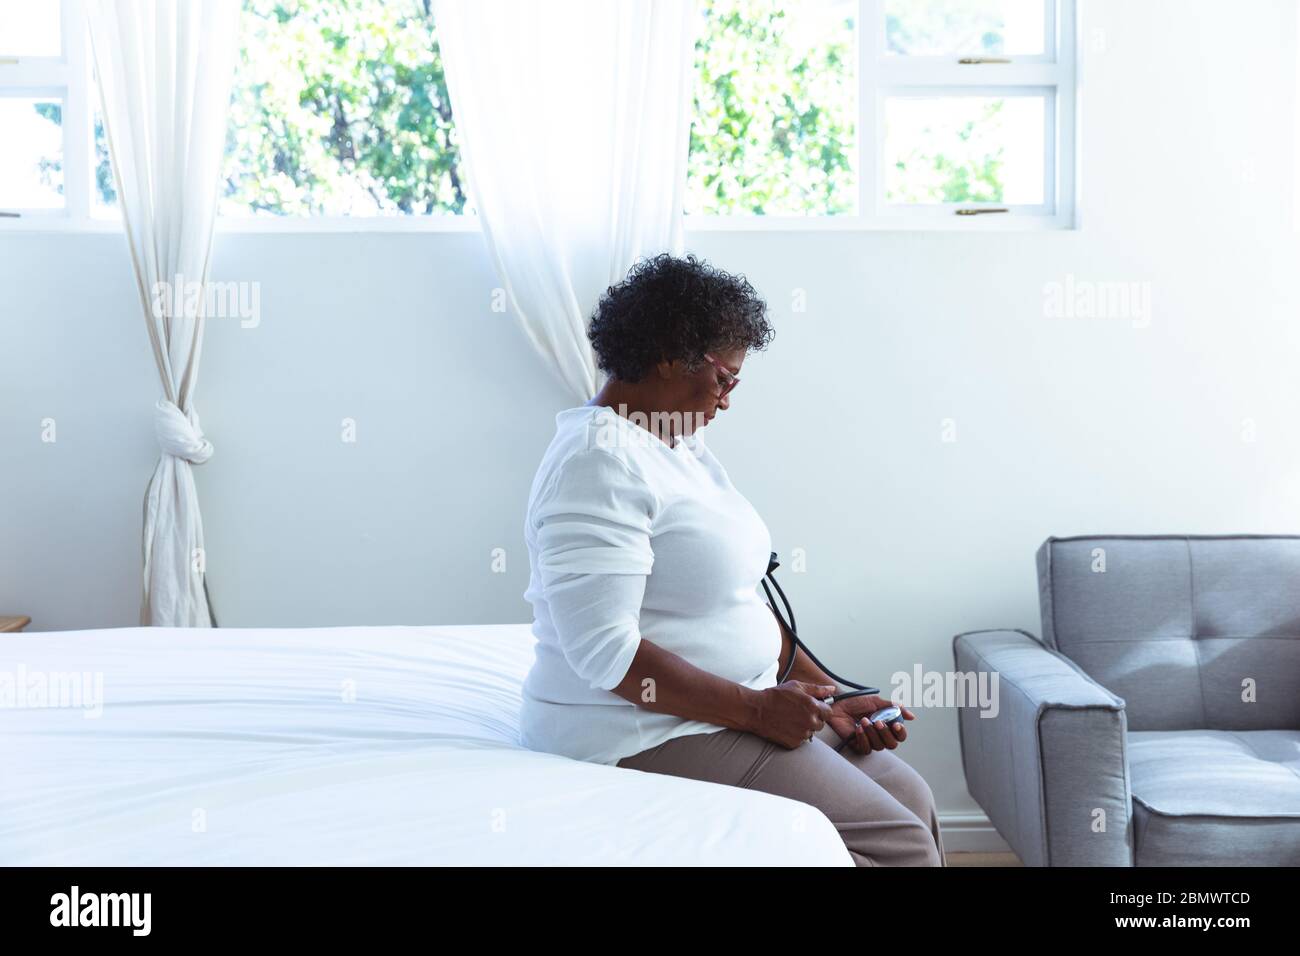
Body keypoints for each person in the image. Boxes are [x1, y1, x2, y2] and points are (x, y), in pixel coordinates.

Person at [519, 253, 944, 866]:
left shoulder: (675, 444)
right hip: (636, 732)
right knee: (896, 842)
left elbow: (735, 595)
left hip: (727, 706)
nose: (727, 399)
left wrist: (819, 691)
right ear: (669, 354)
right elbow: (604, 654)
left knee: (913, 797)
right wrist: (757, 710)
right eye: (724, 378)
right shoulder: (599, 462)